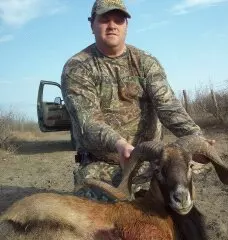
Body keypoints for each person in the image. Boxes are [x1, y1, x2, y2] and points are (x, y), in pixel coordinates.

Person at [61, 0, 213, 201]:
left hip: (151, 164)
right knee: (101, 227)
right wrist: (119, 144)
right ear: (92, 25)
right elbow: (89, 121)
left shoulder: (145, 62)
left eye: (119, 19)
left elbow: (168, 106)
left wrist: (197, 140)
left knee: (177, 211)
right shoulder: (77, 67)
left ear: (126, 25)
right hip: (102, 164)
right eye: (105, 19)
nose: (112, 25)